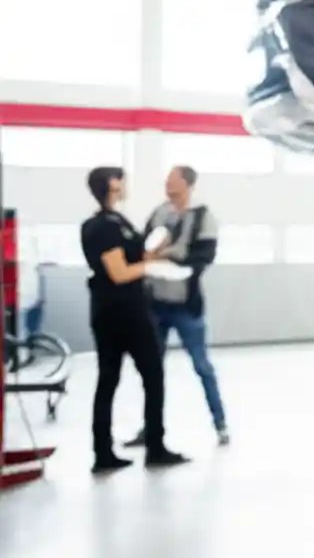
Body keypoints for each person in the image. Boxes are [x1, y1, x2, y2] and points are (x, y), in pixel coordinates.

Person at [79, 167, 190, 473]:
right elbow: (119, 273)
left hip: (131, 308)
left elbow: (136, 258)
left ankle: (154, 444)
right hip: (117, 313)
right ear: (111, 185)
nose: (125, 185)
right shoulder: (99, 226)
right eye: (120, 181)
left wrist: (160, 250)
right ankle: (106, 452)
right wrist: (155, 269)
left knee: (150, 377)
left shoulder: (120, 221)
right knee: (116, 379)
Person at [124, 165, 228, 448]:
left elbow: (204, 257)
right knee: (151, 369)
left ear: (187, 183)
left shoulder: (203, 217)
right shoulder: (159, 214)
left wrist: (168, 262)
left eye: (173, 178)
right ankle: (151, 429)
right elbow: (140, 249)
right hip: (155, 305)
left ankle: (220, 424)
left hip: (185, 306)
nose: (167, 183)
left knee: (202, 366)